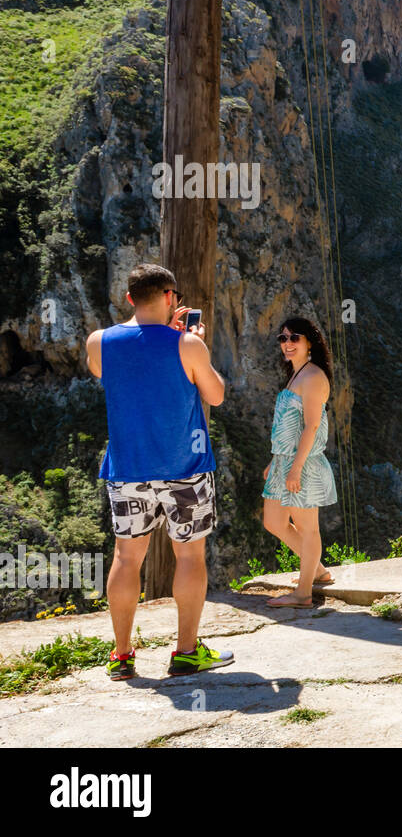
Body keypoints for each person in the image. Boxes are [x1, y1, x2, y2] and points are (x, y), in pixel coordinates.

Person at [86, 263, 234, 679]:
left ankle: (122, 656)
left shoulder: (100, 342)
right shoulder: (186, 343)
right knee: (188, 556)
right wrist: (191, 342)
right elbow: (216, 395)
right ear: (171, 297)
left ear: (130, 297)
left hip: (128, 469)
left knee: (126, 558)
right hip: (184, 469)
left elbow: (106, 371)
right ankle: (186, 651)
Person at [260, 316, 338, 608]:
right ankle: (316, 570)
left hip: (302, 464)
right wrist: (275, 460)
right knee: (274, 522)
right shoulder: (297, 374)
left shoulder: (314, 376)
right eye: (283, 338)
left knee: (308, 528)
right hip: (284, 461)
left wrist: (295, 468)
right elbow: (288, 425)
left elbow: (311, 427)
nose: (287, 344)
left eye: (295, 338)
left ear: (310, 342)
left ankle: (304, 594)